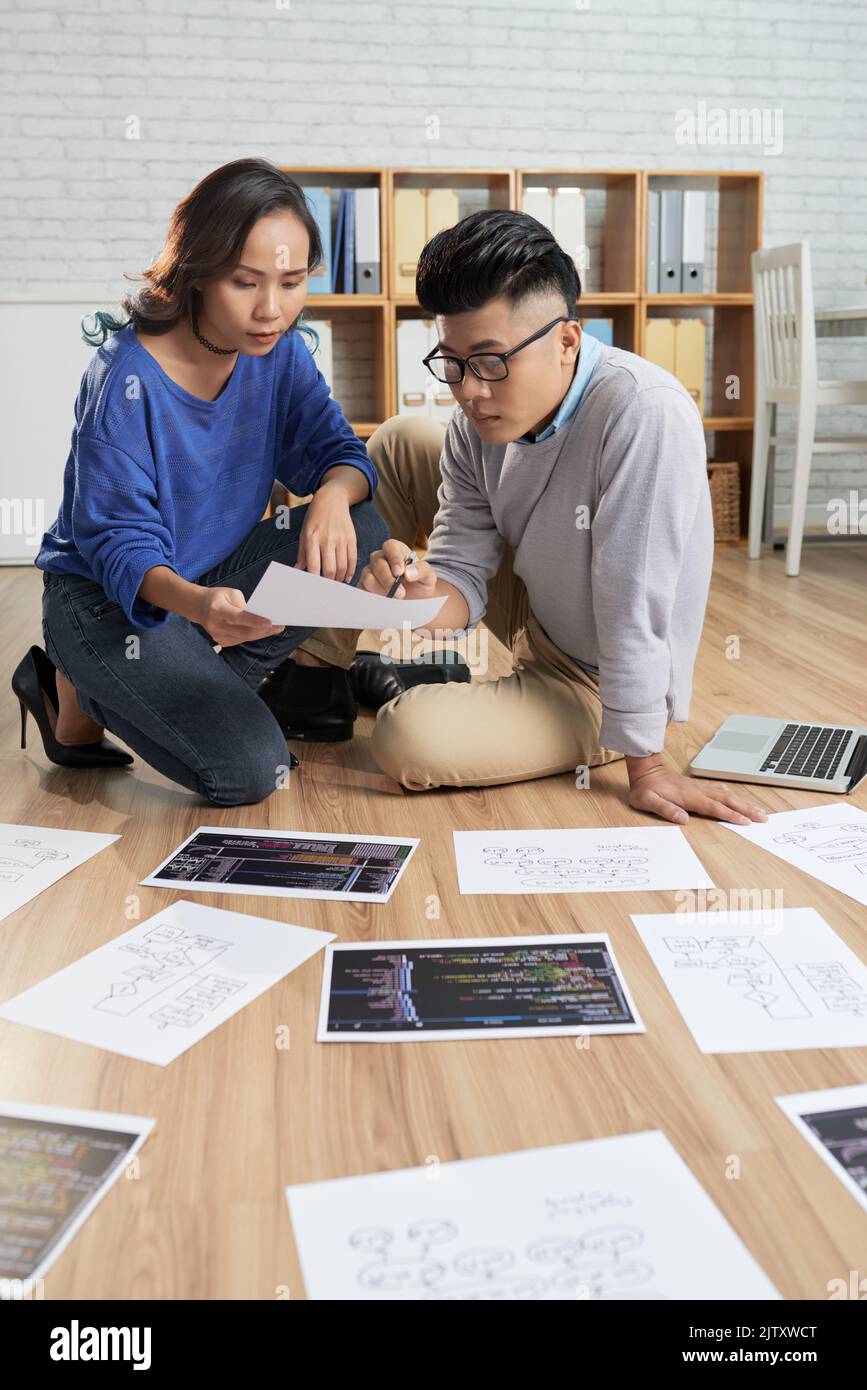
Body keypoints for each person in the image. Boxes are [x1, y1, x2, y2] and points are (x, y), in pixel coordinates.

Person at [345, 209, 769, 829]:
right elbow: (461, 569)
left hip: (593, 672)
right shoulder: (476, 418)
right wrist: (413, 596)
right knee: (402, 438)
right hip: (534, 600)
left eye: (489, 362)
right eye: (452, 362)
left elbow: (634, 602)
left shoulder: (641, 412)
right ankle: (316, 678)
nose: (467, 391)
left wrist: (647, 768)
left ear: (567, 341)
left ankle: (533, 710)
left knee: (404, 738)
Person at [13, 157, 388, 805]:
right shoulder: (125, 377)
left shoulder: (280, 355)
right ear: (199, 270)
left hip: (213, 576)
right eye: (245, 282)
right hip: (107, 595)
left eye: (292, 282)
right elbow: (120, 545)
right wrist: (197, 606)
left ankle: (177, 683)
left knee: (360, 525)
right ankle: (75, 680)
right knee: (248, 770)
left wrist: (330, 493)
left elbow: (337, 453)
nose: (272, 309)